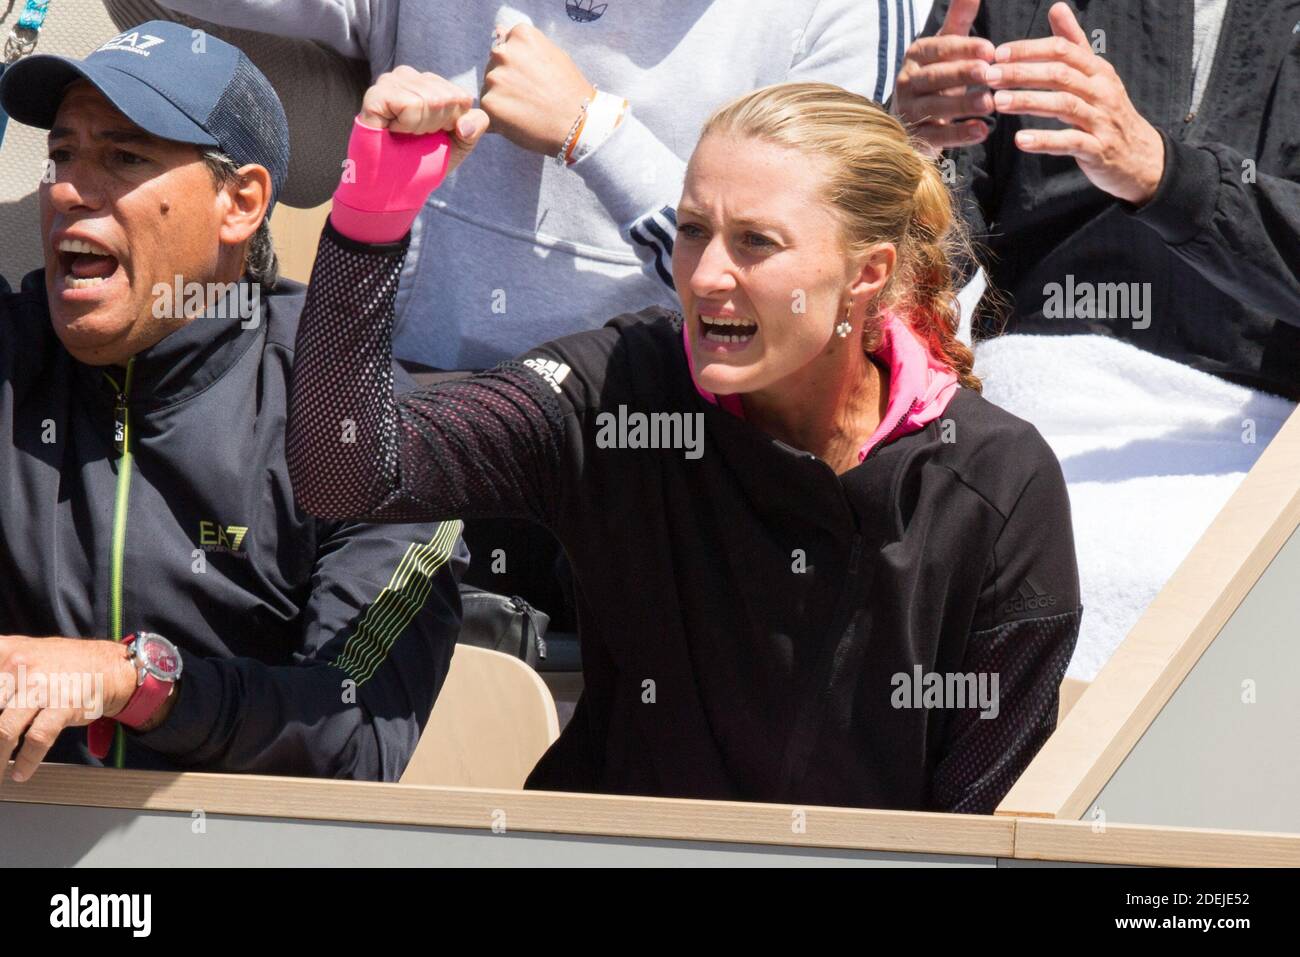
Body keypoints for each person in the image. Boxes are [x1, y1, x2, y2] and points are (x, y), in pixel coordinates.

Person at [286, 74, 1083, 812]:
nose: (704, 276)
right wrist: (369, 224)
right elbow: (345, 473)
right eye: (695, 230)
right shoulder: (618, 390)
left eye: (756, 243)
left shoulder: (998, 485)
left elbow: (972, 838)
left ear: (867, 273)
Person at [0, 21, 466, 782]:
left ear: (240, 203)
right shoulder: (12, 355)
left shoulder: (361, 418)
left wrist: (139, 683)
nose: (66, 190)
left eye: (122, 156)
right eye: (62, 153)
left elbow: (354, 735)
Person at [892, 0, 1300, 675]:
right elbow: (923, 267)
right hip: (1029, 413)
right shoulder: (1012, 8)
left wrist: (1167, 176)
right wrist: (907, 152)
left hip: (1265, 437)